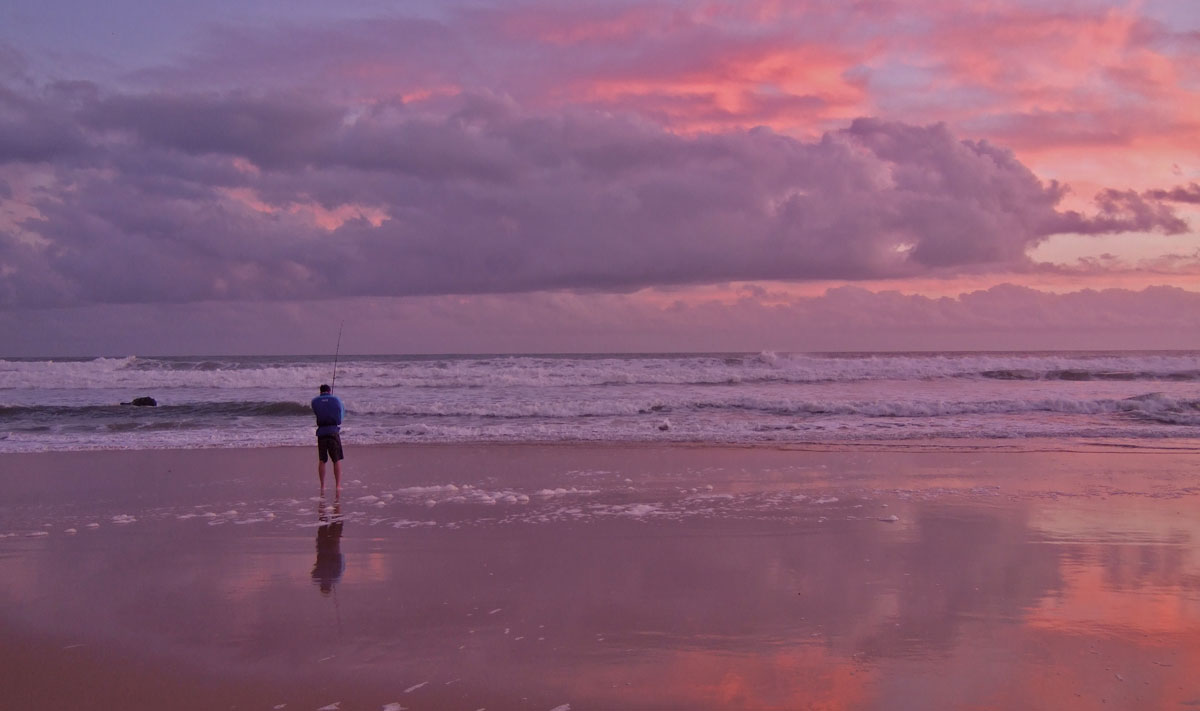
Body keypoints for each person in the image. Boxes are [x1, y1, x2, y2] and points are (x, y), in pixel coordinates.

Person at [311, 383, 345, 491]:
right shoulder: (336, 399)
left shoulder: (314, 401)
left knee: (322, 460)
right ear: (330, 391)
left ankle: (322, 486)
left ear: (320, 392)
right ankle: (338, 485)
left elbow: (317, 412)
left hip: (321, 432)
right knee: (336, 459)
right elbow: (340, 417)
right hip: (333, 432)